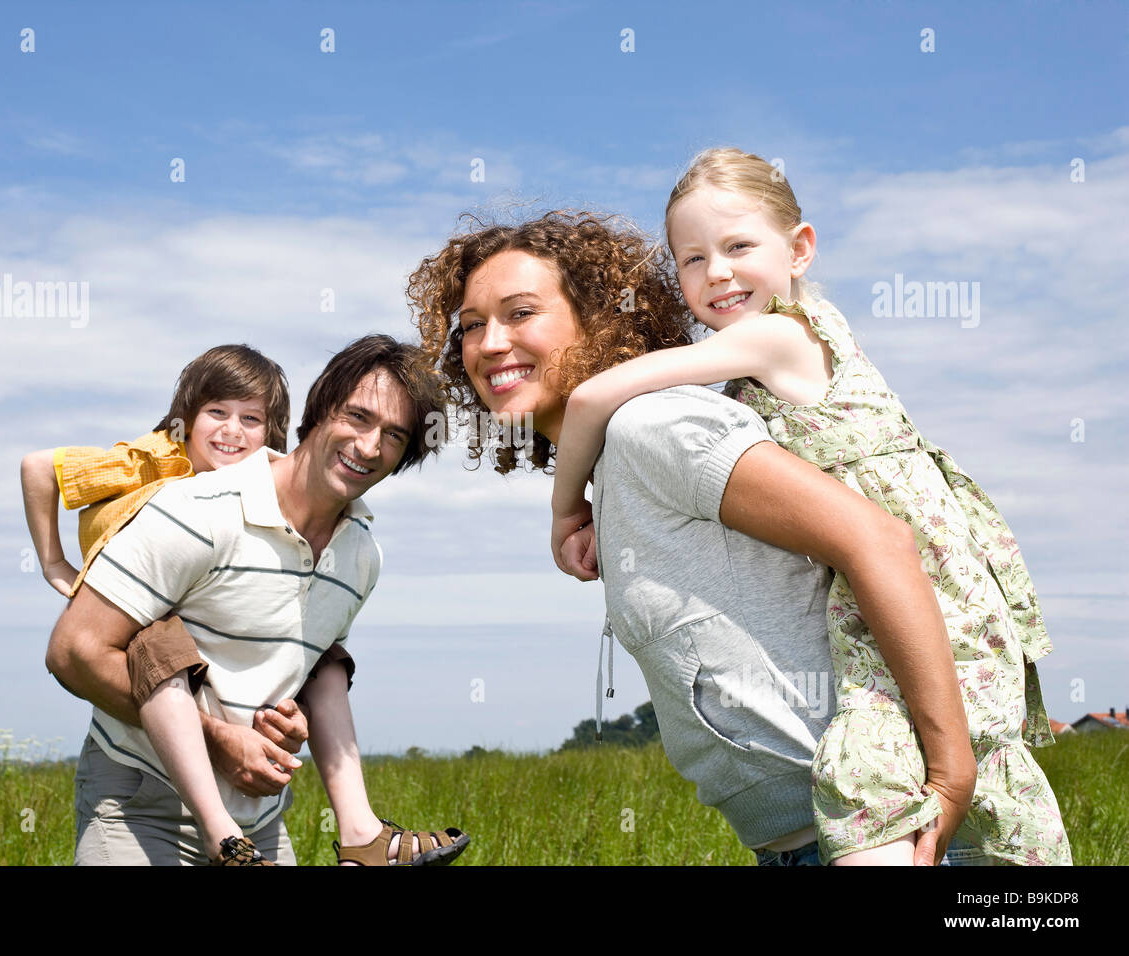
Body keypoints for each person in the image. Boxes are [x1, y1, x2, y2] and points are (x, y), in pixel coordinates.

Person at [545, 149, 1069, 866]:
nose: (716, 273)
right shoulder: (771, 351)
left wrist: (566, 511)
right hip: (915, 568)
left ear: (800, 248)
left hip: (916, 573)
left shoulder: (776, 336)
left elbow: (590, 397)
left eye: (738, 247)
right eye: (692, 259)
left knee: (890, 749)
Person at [407, 210, 980, 866]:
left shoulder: (651, 426)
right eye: (472, 325)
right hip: (808, 843)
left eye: (520, 313)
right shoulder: (615, 469)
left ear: (597, 319)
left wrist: (951, 768)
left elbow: (880, 541)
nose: (489, 343)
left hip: (889, 835)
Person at [43, 335, 467, 865]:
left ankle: (364, 842)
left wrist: (287, 723)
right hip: (142, 811)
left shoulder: (360, 555)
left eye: (394, 436)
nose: (367, 446)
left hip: (260, 825)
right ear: (318, 411)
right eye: (357, 417)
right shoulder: (196, 511)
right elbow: (72, 652)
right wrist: (219, 738)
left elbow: (308, 674)